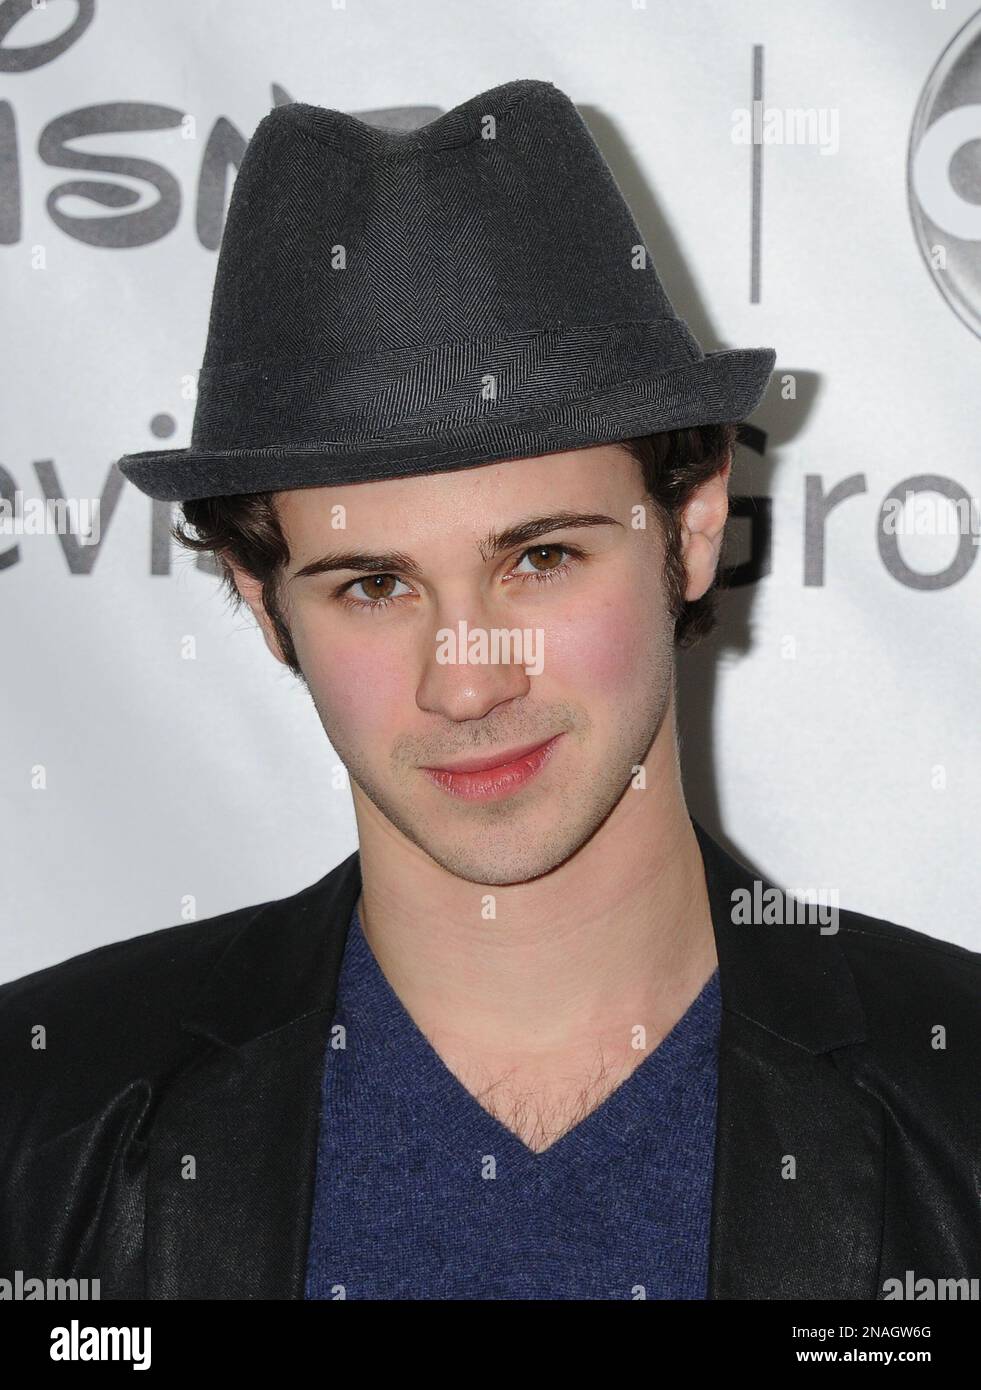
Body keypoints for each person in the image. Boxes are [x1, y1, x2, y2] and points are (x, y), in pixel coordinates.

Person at [2, 79, 978, 1302]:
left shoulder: (960, 1107)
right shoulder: (40, 1126)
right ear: (263, 604)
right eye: (372, 585)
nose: (466, 682)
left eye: (541, 558)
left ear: (691, 526)